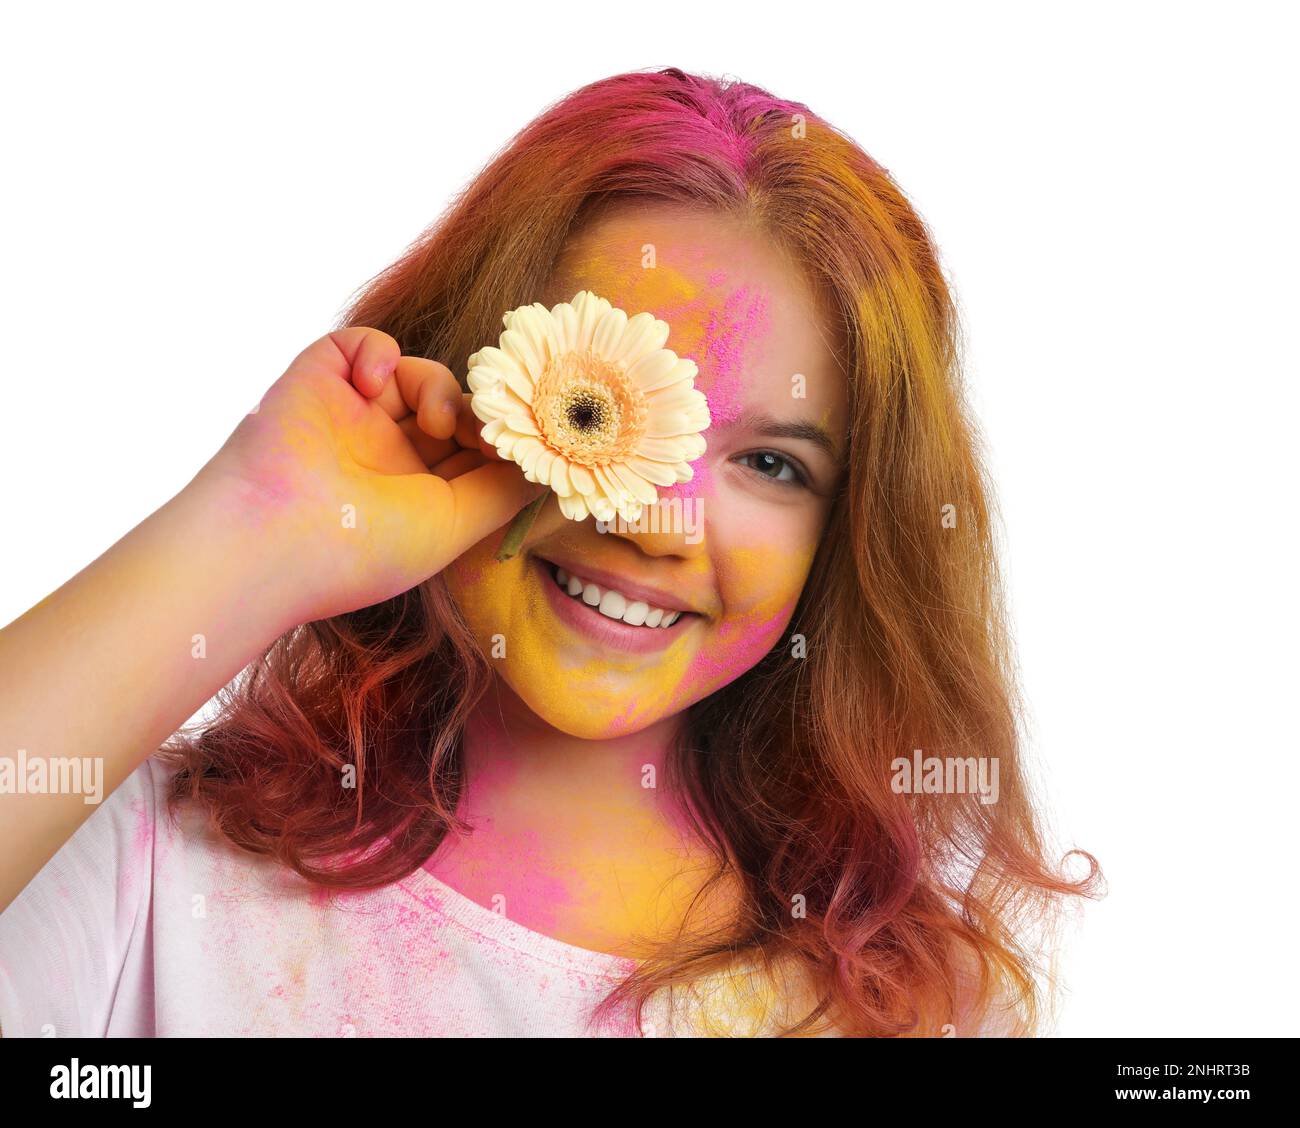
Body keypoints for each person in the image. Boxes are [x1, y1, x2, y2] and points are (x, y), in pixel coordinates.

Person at [0, 66, 1099, 1038]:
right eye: (594, 408)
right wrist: (251, 528)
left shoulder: (907, 1005)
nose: (650, 519)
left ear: (845, 538)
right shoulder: (149, 865)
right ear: (465, 381)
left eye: (769, 466)